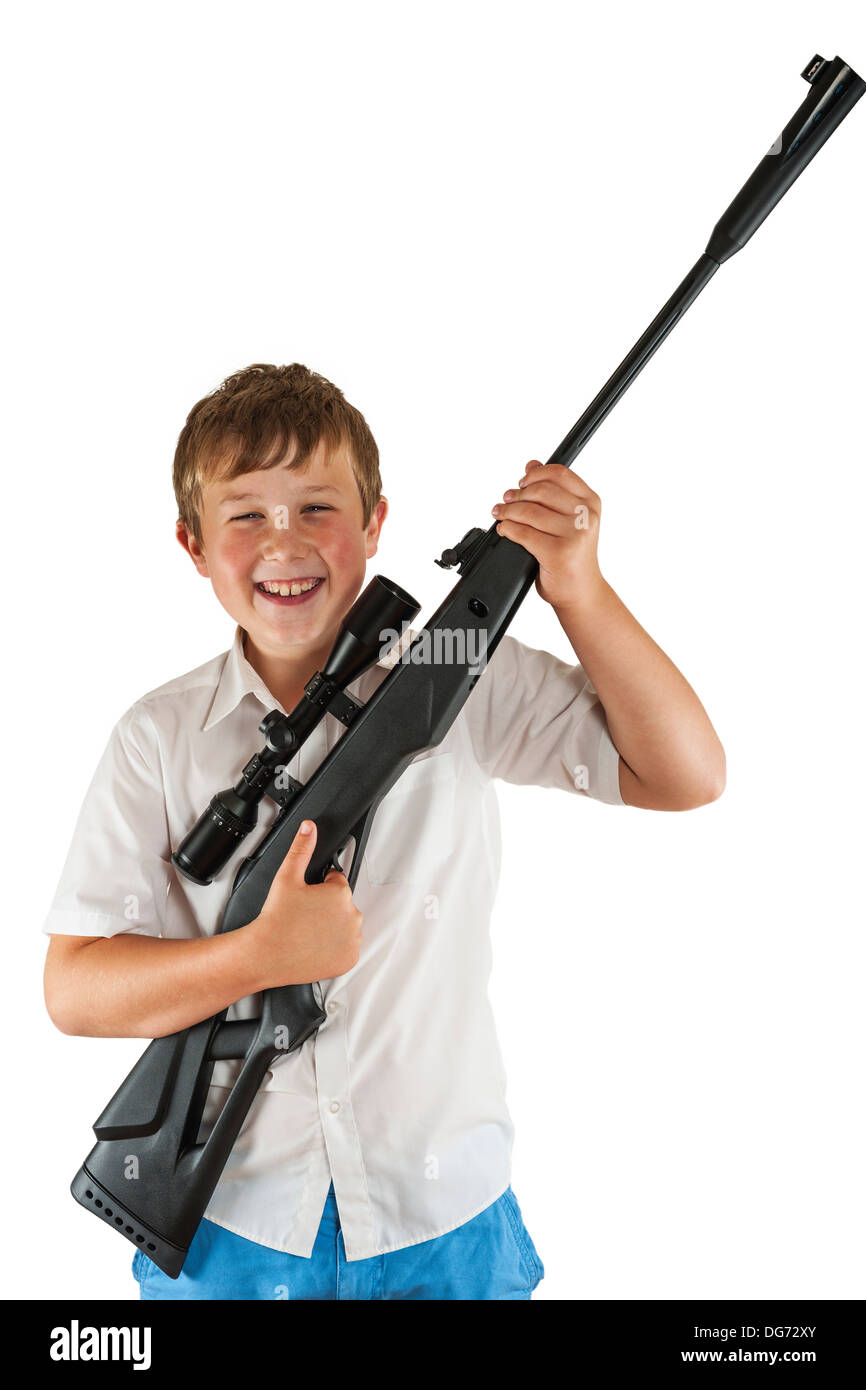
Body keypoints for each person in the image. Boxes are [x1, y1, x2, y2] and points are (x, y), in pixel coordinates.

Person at [42, 362, 725, 1300]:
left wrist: (579, 591)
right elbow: (75, 989)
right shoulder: (158, 736)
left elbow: (687, 773)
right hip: (239, 1233)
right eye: (246, 515)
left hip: (442, 1224)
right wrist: (258, 958)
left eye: (318, 508)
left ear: (375, 526)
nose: (285, 543)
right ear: (191, 545)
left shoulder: (455, 678)